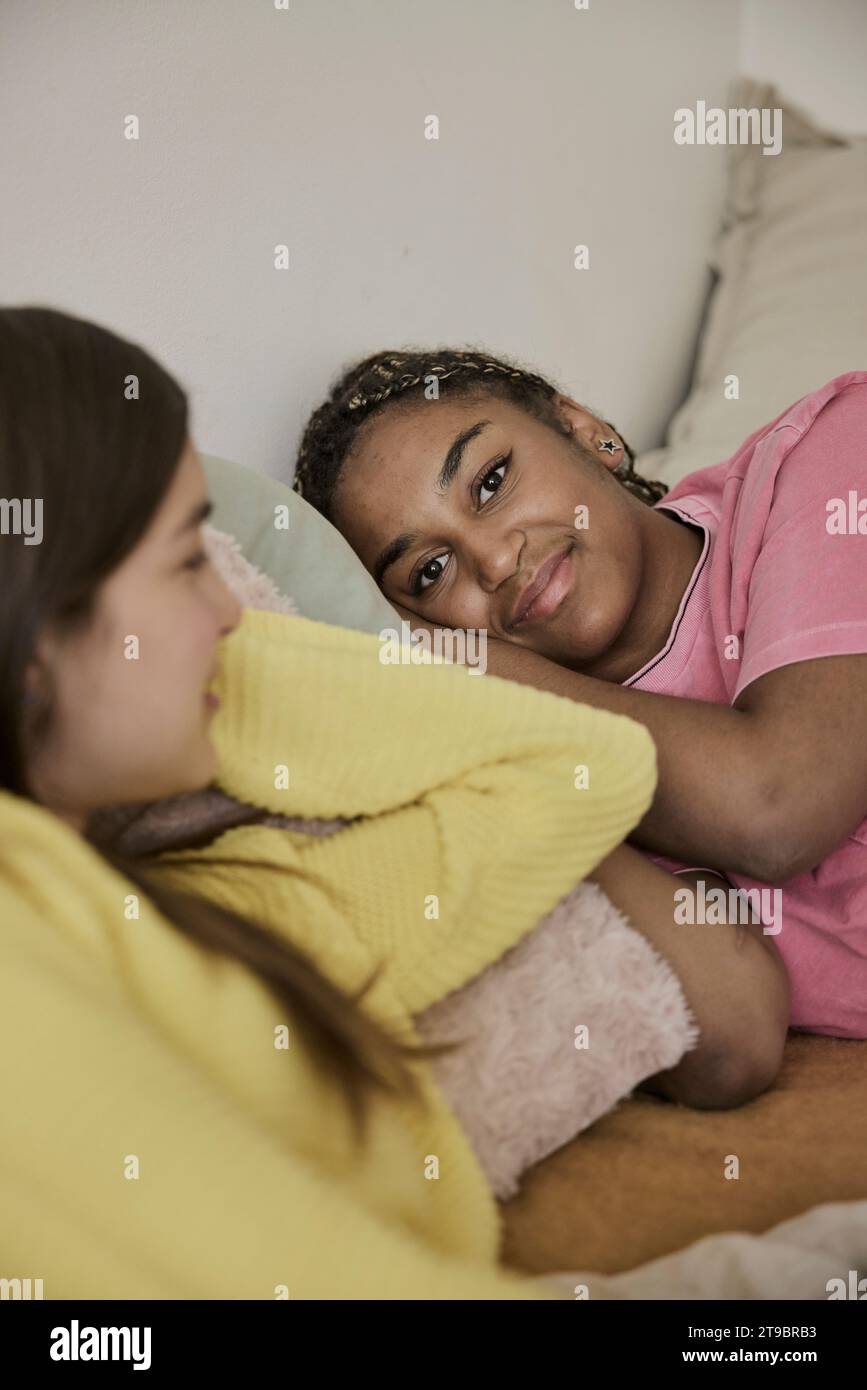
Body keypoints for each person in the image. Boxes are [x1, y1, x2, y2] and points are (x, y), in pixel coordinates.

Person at [0, 309, 785, 1300]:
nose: (238, 614)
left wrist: (397, 644)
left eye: (492, 480)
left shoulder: (241, 895)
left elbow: (585, 771)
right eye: (187, 562)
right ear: (37, 631)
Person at [293, 348, 867, 1040]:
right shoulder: (550, 770)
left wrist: (471, 668)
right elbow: (728, 1037)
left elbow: (778, 809)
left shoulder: (824, 453)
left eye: (490, 481)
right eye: (430, 571)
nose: (498, 561)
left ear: (582, 429)